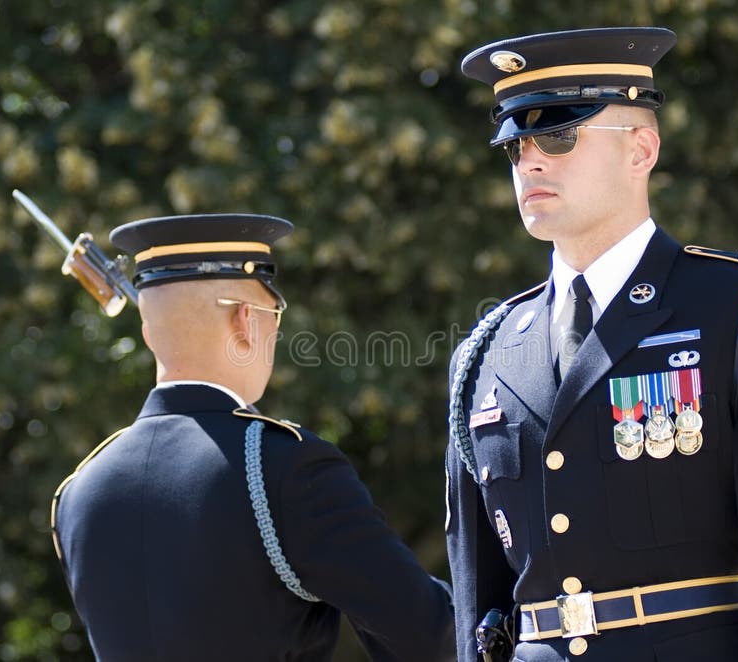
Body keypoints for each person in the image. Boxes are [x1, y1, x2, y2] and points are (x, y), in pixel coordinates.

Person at [445, 27, 738, 661]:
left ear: (641, 150)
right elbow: (477, 598)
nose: (530, 161)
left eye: (559, 136)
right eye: (514, 146)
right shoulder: (485, 353)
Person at [51, 213, 456, 661]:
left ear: (147, 333)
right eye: (274, 315)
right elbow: (426, 634)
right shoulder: (284, 466)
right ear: (247, 321)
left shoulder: (78, 489)